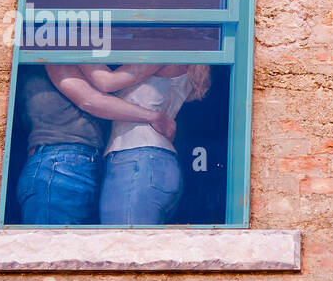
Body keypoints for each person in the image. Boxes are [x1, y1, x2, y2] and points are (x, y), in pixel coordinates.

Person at [14, 63, 172, 225]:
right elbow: (90, 100)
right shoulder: (55, 54)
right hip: (59, 162)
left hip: (76, 161)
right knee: (53, 239)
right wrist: (153, 117)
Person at [76, 63, 211, 226]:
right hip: (154, 159)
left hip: (137, 159)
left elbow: (105, 81)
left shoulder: (159, 55)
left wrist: (74, 52)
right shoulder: (183, 63)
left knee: (125, 238)